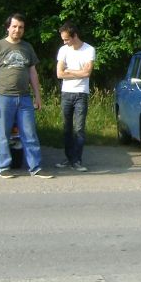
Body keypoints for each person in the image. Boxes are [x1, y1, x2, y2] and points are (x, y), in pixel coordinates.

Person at [0, 13, 50, 179]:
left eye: (20, 27)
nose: (17, 30)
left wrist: (38, 96)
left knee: (29, 133)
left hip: (24, 98)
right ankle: (4, 167)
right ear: (8, 28)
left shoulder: (27, 47)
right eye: (14, 26)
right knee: (3, 134)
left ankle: (35, 167)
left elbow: (33, 73)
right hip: (3, 97)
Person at [55, 21, 95, 172]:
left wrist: (69, 71)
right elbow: (59, 73)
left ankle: (77, 160)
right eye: (63, 40)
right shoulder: (63, 50)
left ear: (75, 36)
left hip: (81, 94)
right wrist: (77, 72)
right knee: (66, 129)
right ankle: (69, 158)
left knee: (79, 129)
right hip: (66, 93)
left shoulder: (89, 50)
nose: (65, 42)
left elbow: (87, 73)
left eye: (67, 39)